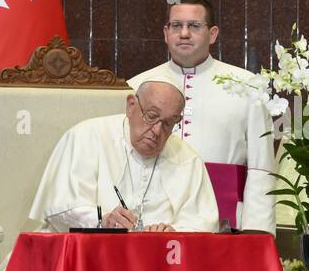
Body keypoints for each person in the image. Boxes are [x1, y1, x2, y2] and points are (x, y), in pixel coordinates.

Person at [130, 0, 275, 232]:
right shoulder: (137, 85)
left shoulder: (248, 86)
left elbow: (261, 167)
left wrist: (258, 232)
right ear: (166, 34)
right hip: (152, 221)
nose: (184, 33)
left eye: (194, 26)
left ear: (213, 34)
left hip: (223, 219)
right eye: (176, 25)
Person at [30, 76, 219, 233]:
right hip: (88, 257)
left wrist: (174, 233)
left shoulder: (187, 159)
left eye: (169, 123)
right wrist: (103, 221)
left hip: (156, 264)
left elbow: (203, 224)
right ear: (131, 105)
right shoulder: (87, 136)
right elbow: (60, 208)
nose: (157, 130)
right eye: (151, 116)